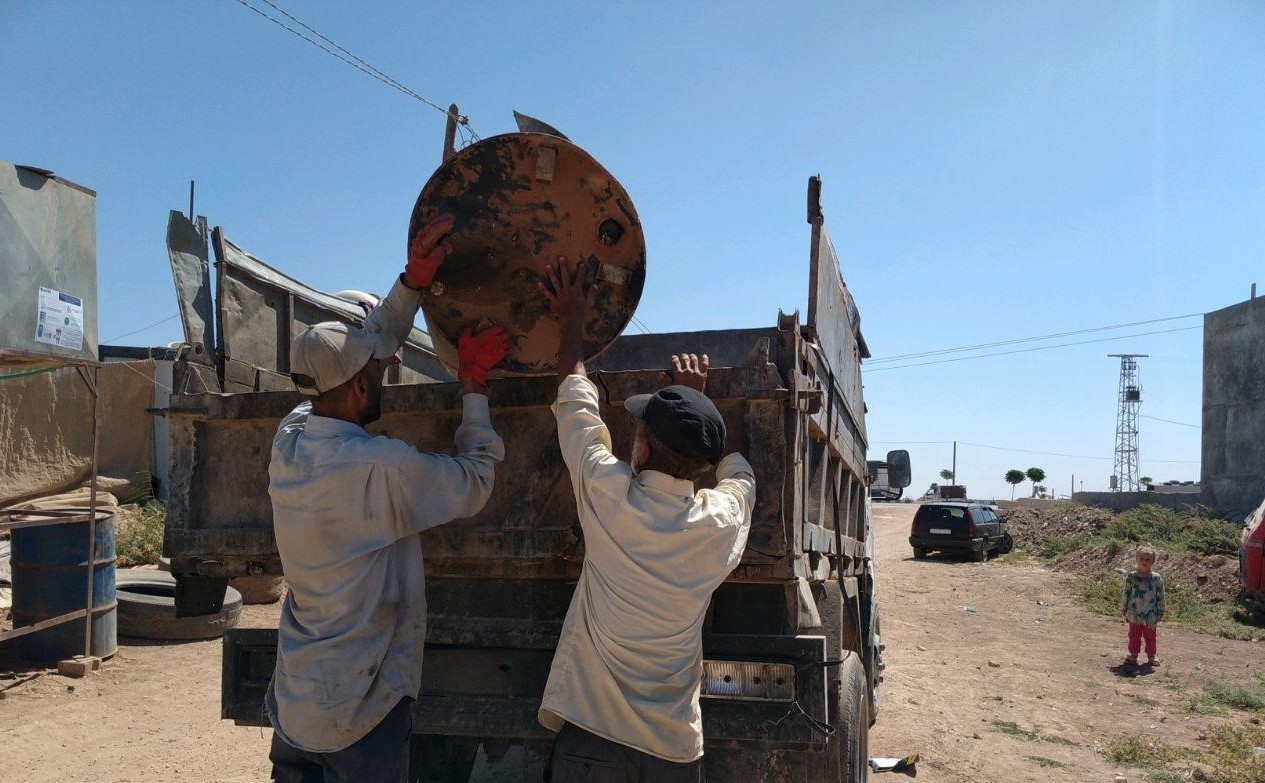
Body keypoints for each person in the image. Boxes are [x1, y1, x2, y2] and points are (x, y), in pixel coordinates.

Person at [265, 213, 512, 783]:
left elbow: (366, 349)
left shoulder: (290, 438)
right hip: (364, 710)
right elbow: (475, 481)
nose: (388, 367)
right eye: (376, 372)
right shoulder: (381, 467)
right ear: (358, 387)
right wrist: (473, 386)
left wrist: (413, 280)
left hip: (300, 702)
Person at [537, 259, 756, 781]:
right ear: (700, 464)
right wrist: (700, 405)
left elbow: (573, 392)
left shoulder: (607, 494)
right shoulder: (718, 523)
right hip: (672, 749)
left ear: (642, 444)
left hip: (593, 741)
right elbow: (739, 473)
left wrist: (572, 318)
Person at [1121, 545, 1166, 667]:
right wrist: (1124, 607)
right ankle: (1133, 655)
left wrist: (1161, 610)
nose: (1144, 561)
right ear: (1136, 559)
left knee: (1150, 636)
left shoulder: (1156, 578)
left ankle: (1152, 656)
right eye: (1142, 558)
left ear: (1152, 561)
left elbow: (1161, 595)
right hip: (1134, 612)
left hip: (1150, 613)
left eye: (1148, 559)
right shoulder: (1131, 576)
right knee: (1134, 635)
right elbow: (1126, 592)